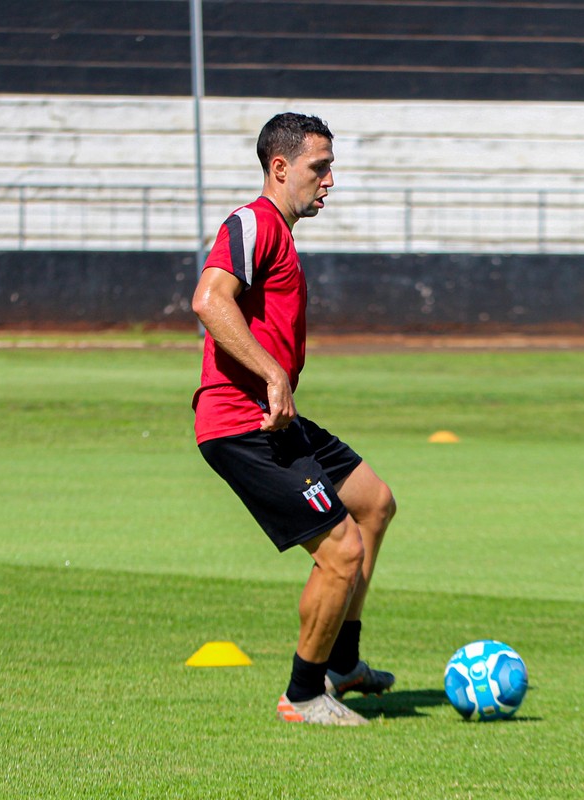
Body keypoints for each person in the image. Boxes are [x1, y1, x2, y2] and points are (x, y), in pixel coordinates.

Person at [191, 113, 397, 726]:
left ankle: (343, 664)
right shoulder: (254, 221)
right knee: (341, 550)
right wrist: (273, 373)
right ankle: (305, 695)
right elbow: (208, 299)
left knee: (374, 503)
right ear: (280, 168)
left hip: (278, 418)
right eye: (319, 167)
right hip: (241, 424)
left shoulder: (278, 233)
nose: (329, 180)